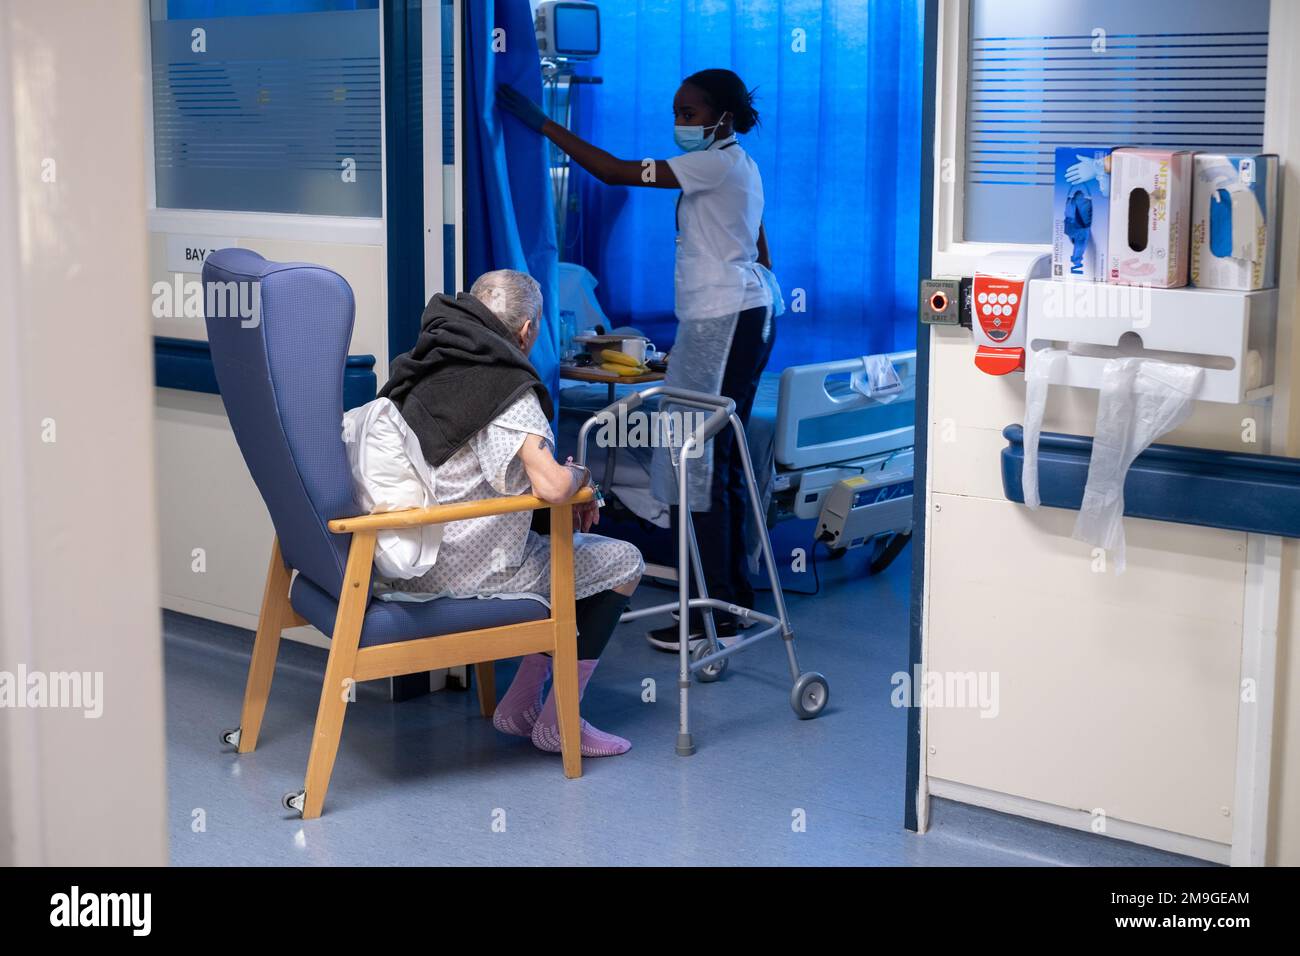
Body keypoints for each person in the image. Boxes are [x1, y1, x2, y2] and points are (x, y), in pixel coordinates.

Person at [498, 68, 781, 652]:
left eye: (692, 112)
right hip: (733, 315)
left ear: (722, 115)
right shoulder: (739, 165)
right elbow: (759, 244)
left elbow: (612, 171)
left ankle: (711, 613)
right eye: (676, 112)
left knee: (689, 460)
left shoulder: (717, 163)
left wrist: (545, 123)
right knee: (710, 459)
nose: (681, 122)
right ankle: (727, 602)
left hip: (724, 318)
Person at [380, 270, 643, 757]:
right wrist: (581, 480)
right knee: (622, 560)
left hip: (404, 557)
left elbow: (482, 473)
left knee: (567, 549)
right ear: (526, 332)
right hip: (465, 571)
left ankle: (520, 708)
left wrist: (559, 497)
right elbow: (549, 485)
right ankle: (559, 721)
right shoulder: (505, 384)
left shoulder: (428, 360)